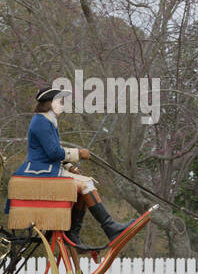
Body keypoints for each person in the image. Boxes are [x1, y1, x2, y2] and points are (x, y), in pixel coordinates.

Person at [13, 85, 134, 247]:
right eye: (60, 101)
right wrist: (79, 153)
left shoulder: (46, 120)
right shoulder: (41, 122)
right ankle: (109, 228)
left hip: (48, 169)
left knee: (84, 184)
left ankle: (75, 234)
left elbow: (49, 152)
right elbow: (53, 153)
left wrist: (69, 166)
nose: (63, 104)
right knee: (86, 184)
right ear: (50, 103)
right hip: (41, 172)